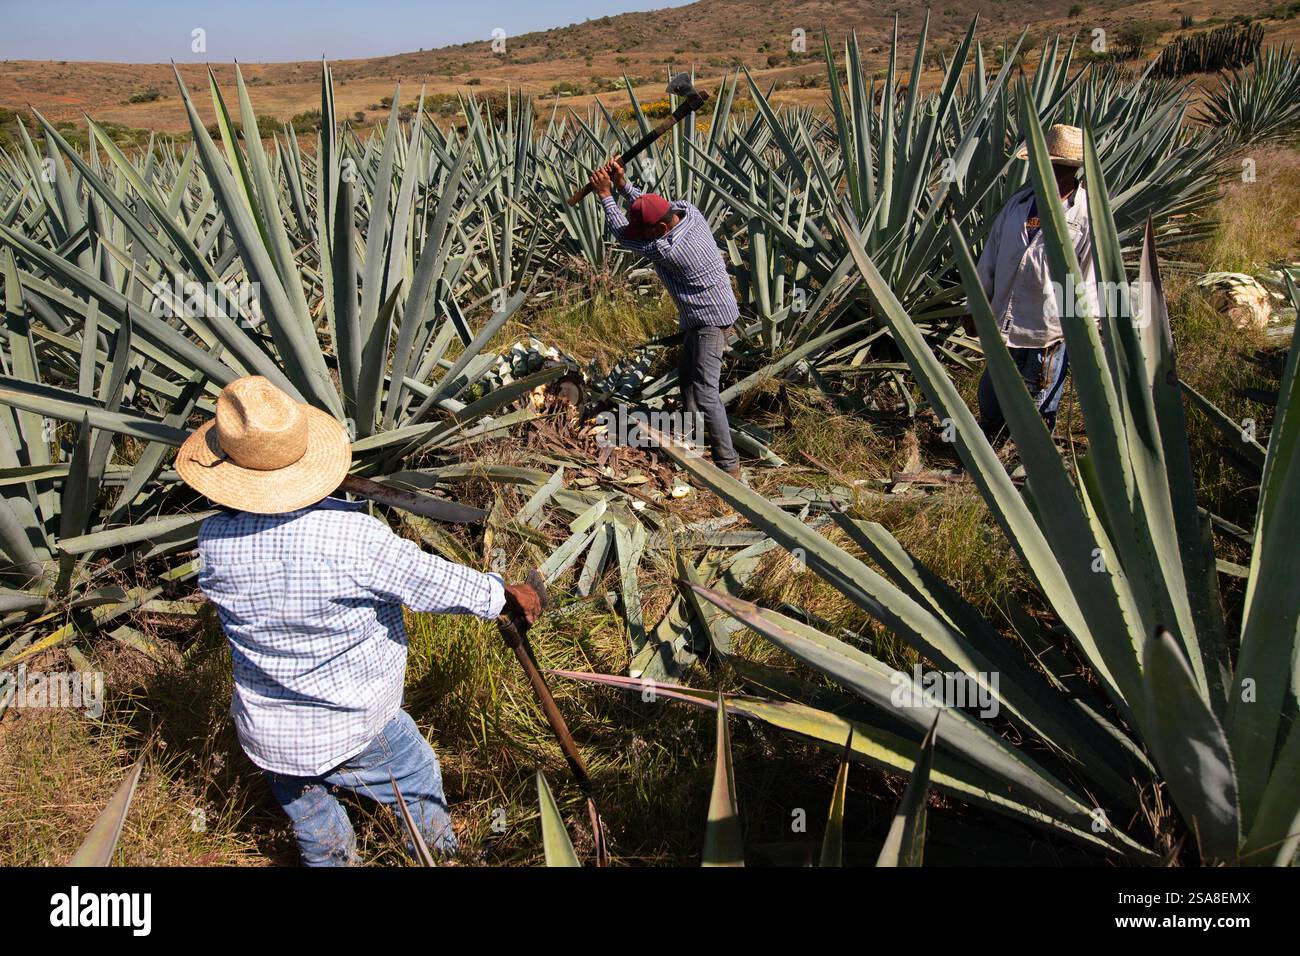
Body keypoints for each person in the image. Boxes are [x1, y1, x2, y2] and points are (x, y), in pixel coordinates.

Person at [175, 375, 542, 866]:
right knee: (414, 779)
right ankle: (438, 857)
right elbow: (431, 582)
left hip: (270, 735)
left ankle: (332, 859)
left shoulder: (214, 540)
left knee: (314, 823)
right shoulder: (352, 537)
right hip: (353, 722)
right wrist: (504, 596)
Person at [590, 157, 743, 479]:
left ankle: (729, 467)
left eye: (646, 230)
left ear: (659, 230)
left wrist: (605, 195)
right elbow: (655, 207)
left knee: (704, 391)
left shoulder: (671, 250)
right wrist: (623, 186)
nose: (642, 234)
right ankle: (691, 445)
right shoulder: (691, 214)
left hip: (710, 322)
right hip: (704, 317)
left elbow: (623, 236)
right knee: (687, 382)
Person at [973, 124, 1099, 445]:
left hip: (1049, 331)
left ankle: (1029, 463)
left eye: (1058, 166)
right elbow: (991, 257)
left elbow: (1090, 277)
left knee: (1038, 402)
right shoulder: (1018, 205)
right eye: (1045, 163)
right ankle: (991, 450)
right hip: (1006, 320)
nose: (1050, 171)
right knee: (992, 396)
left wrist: (1086, 329)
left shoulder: (1085, 214)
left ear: (1073, 170)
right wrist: (976, 305)